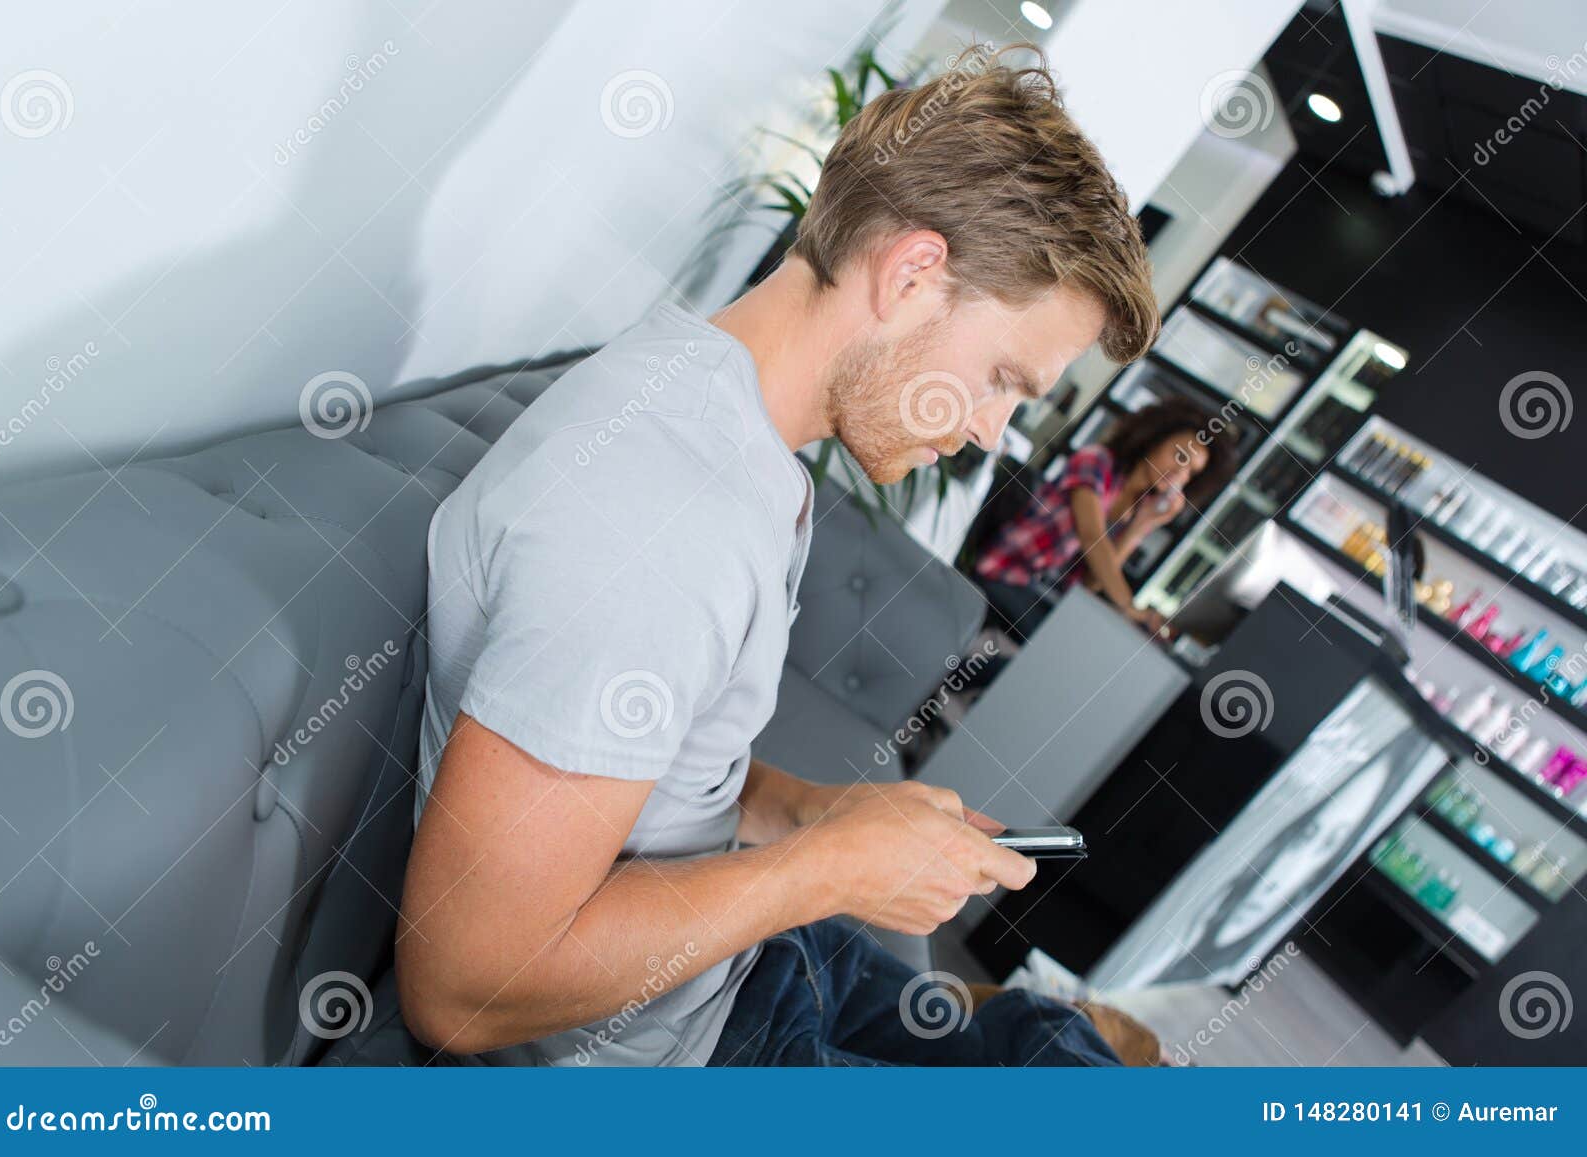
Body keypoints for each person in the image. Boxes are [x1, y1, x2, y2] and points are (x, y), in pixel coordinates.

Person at [396, 43, 1159, 1068]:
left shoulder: (719, 418)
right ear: (912, 275)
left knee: (1061, 1049)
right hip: (683, 1055)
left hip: (735, 971)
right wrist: (829, 867)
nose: (989, 429)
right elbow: (462, 987)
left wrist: (815, 811)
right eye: (1001, 378)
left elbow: (645, 755)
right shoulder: (664, 518)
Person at [973, 398, 1238, 641]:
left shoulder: (1138, 510)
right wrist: (1128, 607)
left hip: (1043, 596)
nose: (1180, 473)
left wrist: (1142, 526)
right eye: (1180, 456)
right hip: (1008, 574)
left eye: (1191, 472)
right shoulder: (1098, 462)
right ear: (1156, 439)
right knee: (1053, 645)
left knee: (1067, 644)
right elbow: (1092, 537)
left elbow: (1090, 583)